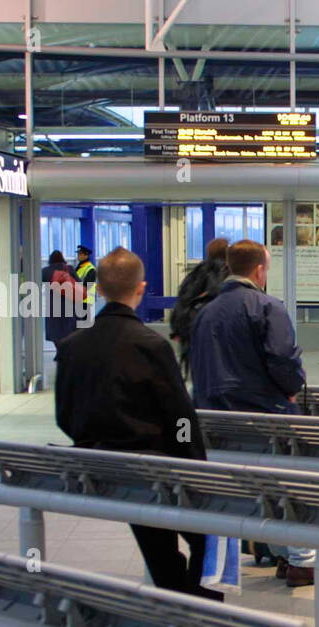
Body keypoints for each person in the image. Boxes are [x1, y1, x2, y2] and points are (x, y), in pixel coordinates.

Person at [53, 247, 222, 602]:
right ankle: (198, 602)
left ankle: (181, 595)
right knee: (208, 532)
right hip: (148, 467)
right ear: (141, 288)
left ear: (98, 289)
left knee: (159, 539)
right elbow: (180, 418)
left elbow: (64, 415)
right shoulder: (151, 346)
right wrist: (195, 465)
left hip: (96, 463)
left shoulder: (71, 347)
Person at [189, 239, 315, 585]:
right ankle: (300, 560)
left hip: (214, 420)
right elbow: (284, 361)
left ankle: (276, 555)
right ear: (259, 270)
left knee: (249, 492)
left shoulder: (204, 313)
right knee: (284, 489)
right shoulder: (267, 307)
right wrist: (292, 388)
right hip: (264, 419)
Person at [170, 237, 230, 379]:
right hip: (217, 338)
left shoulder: (195, 274)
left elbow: (182, 303)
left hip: (192, 337)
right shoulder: (224, 274)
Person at [41, 250, 82, 345]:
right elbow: (79, 283)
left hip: (53, 307)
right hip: (69, 305)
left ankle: (60, 351)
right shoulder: (69, 269)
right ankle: (67, 351)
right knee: (69, 331)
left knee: (56, 332)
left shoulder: (46, 271)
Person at [74, 244, 98, 313]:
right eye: (78, 254)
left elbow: (88, 286)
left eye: (80, 254)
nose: (78, 255)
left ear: (86, 255)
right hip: (79, 299)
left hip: (86, 301)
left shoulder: (90, 269)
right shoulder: (79, 267)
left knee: (84, 322)